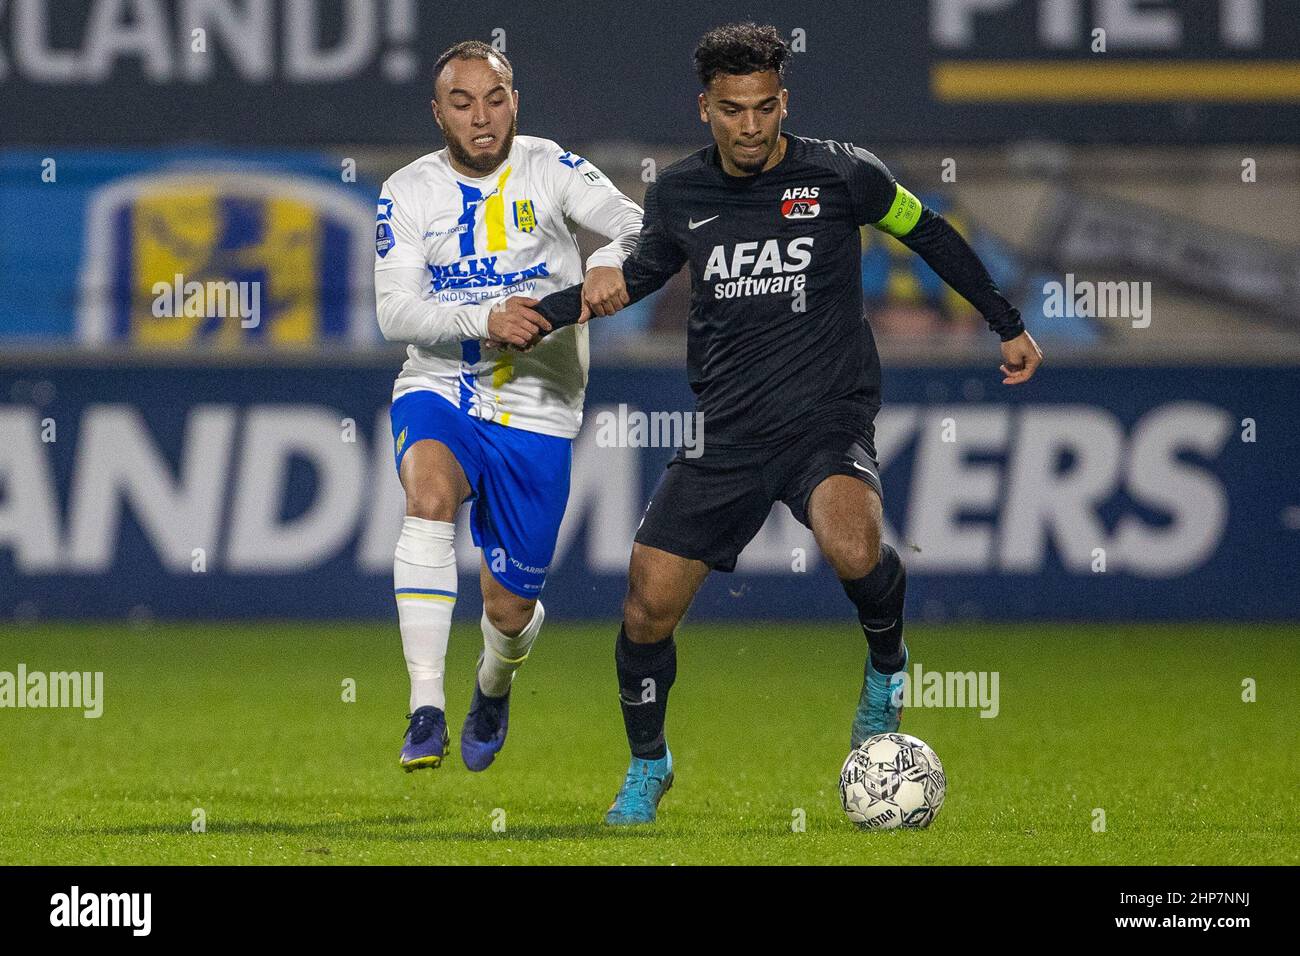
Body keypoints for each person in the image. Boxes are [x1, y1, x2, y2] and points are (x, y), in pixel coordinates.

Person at [532, 22, 1043, 822]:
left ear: (783, 103)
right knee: (646, 607)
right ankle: (649, 765)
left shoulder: (844, 174)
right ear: (706, 108)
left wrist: (1004, 321)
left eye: (764, 108)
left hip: (825, 420)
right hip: (728, 435)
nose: (749, 126)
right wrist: (550, 312)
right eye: (732, 110)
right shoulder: (678, 194)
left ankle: (885, 671)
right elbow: (634, 280)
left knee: (853, 542)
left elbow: (931, 232)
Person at [375, 41, 642, 772]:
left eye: (494, 99)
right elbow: (394, 313)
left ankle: (493, 684)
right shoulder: (405, 191)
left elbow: (633, 222)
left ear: (514, 103)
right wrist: (484, 317)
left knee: (508, 610)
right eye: (461, 103)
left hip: (539, 404)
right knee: (426, 498)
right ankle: (424, 706)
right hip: (441, 385)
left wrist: (606, 261)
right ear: (438, 112)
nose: (480, 116)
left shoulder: (550, 165)